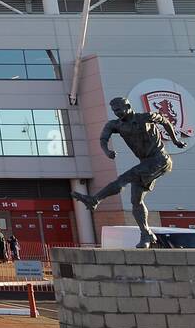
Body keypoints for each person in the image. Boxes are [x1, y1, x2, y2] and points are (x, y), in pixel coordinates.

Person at [72, 95, 188, 248]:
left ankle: (95, 200)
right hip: (145, 163)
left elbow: (165, 122)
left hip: (159, 159)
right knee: (136, 200)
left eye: (119, 109)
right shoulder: (116, 125)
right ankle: (146, 234)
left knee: (122, 180)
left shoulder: (145, 117)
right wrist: (107, 151)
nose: (117, 113)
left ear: (128, 106)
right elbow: (103, 139)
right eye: (114, 111)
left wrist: (175, 140)